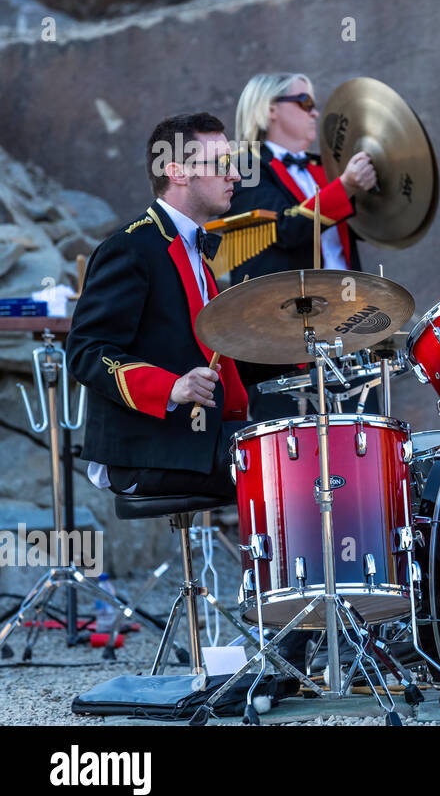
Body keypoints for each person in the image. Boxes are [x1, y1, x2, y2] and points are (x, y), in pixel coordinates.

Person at [68, 112, 248, 498]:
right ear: (177, 171)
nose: (235, 175)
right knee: (297, 464)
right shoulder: (130, 248)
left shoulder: (192, 248)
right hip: (146, 451)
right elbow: (86, 352)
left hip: (195, 437)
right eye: (222, 164)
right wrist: (172, 387)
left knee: (309, 446)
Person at [229, 72, 377, 418]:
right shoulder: (245, 166)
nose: (314, 112)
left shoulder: (319, 168)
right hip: (285, 337)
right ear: (270, 111)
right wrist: (345, 188)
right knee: (296, 453)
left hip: (349, 322)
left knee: (363, 437)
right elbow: (283, 229)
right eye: (304, 102)